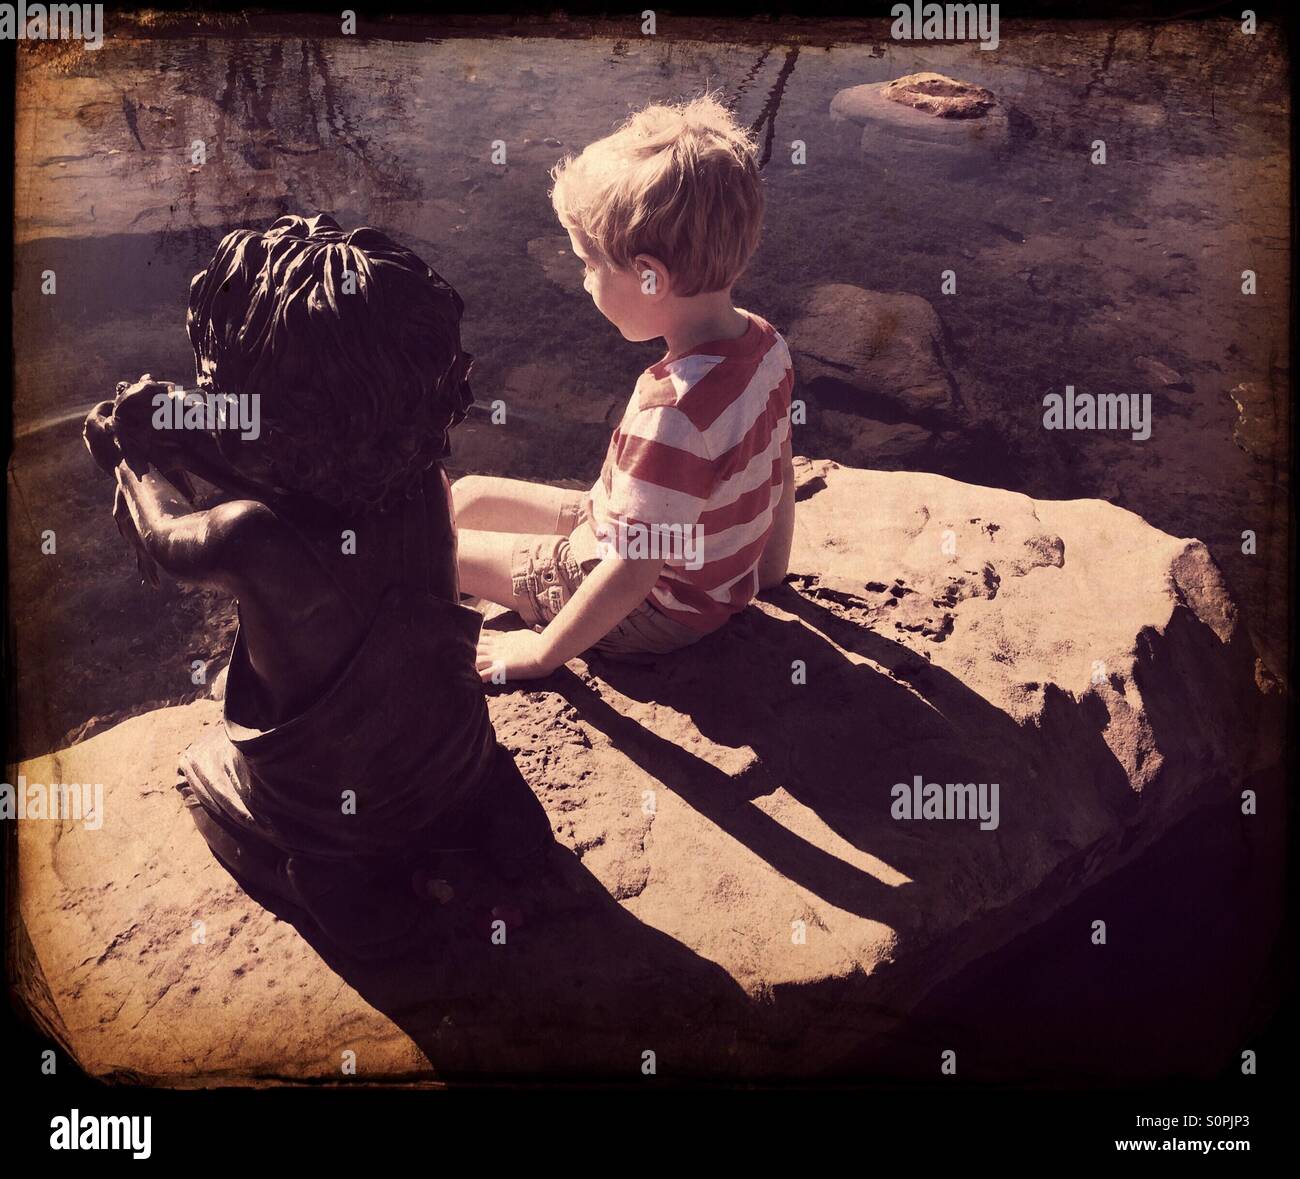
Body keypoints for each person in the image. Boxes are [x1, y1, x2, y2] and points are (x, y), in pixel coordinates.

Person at [83, 213, 551, 957]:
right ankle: (499, 834)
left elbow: (167, 537)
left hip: (336, 818)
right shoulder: (422, 481)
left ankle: (341, 886)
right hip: (456, 767)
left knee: (201, 766)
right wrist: (177, 414)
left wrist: (129, 460)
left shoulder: (248, 536)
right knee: (463, 772)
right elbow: (320, 456)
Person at [456, 94, 797, 684]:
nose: (585, 280)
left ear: (650, 278)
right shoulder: (767, 345)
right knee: (464, 498)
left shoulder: (673, 414)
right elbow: (780, 469)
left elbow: (634, 571)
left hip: (655, 612)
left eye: (589, 264)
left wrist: (537, 656)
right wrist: (766, 574)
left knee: (442, 551)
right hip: (671, 556)